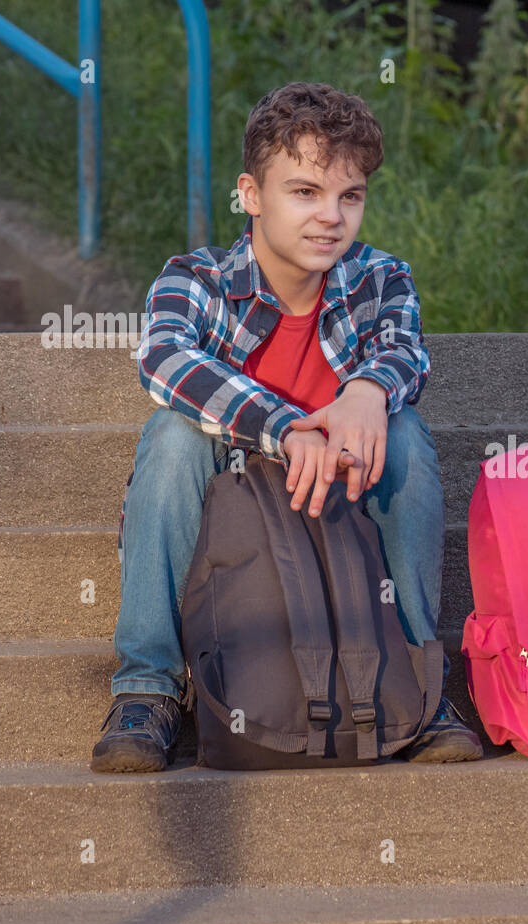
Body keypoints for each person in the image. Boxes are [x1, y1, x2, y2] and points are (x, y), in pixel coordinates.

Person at [93, 82, 482, 772]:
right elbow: (163, 360)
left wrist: (366, 389)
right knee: (174, 438)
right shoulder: (197, 279)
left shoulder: (380, 278)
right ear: (251, 194)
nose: (331, 217)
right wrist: (284, 427)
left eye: (350, 196)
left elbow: (404, 350)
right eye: (305, 192)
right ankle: (147, 687)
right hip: (237, 496)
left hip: (338, 499)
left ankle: (421, 685)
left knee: (409, 437)